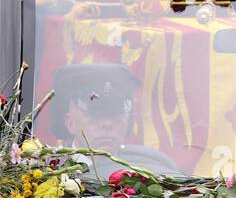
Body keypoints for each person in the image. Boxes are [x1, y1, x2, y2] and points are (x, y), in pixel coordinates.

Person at [45, 63, 180, 179]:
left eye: (115, 116)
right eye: (95, 116)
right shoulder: (46, 172)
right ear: (70, 123)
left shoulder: (154, 164)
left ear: (127, 120)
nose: (107, 124)